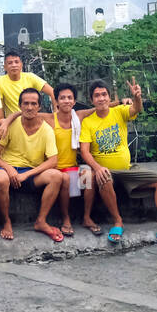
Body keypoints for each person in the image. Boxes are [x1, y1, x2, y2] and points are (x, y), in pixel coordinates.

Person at [78, 77, 157, 247]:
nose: (101, 98)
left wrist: (137, 96)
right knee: (100, 176)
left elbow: (135, 108)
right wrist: (98, 167)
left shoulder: (119, 111)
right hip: (104, 170)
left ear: (109, 98)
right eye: (97, 96)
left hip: (127, 169)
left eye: (104, 94)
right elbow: (84, 152)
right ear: (91, 100)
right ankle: (117, 221)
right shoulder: (87, 122)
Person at [0, 88, 66, 242]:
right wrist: (9, 168)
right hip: (7, 169)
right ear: (20, 106)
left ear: (39, 107)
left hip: (30, 173)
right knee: (2, 179)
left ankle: (41, 221)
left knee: (57, 176)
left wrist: (27, 174)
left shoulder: (46, 130)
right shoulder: (10, 125)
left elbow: (53, 161)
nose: (29, 107)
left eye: (33, 104)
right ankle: (6, 221)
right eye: (26, 103)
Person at [48, 83, 91, 237]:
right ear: (57, 101)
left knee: (88, 173)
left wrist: (121, 102)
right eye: (62, 98)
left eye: (69, 98)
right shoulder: (49, 119)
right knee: (64, 178)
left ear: (74, 101)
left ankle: (87, 217)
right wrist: (6, 122)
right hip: (53, 169)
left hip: (72, 167)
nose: (66, 101)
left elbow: (101, 107)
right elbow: (24, 113)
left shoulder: (78, 116)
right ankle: (66, 219)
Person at [0, 51, 53, 119]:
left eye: (16, 62)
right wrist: (3, 122)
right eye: (10, 63)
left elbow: (53, 92)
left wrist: (56, 114)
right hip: (13, 121)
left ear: (21, 64)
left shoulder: (30, 77)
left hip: (32, 119)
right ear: (5, 67)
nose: (14, 65)